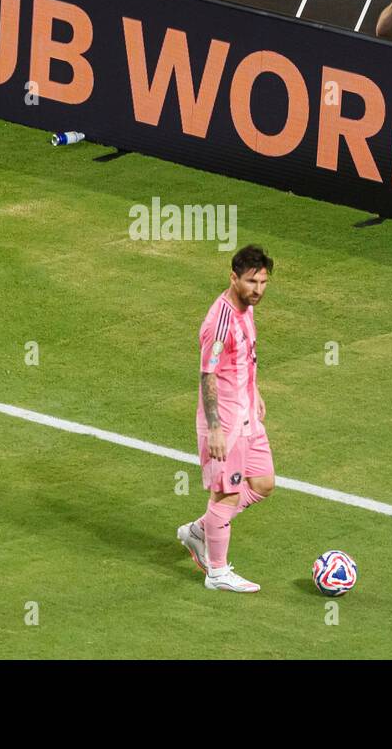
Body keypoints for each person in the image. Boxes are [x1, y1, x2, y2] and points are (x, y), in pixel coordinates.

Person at [177, 245, 276, 593]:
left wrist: (256, 390)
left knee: (263, 483)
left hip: (247, 413)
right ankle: (216, 572)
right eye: (251, 282)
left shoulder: (246, 308)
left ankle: (200, 531)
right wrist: (216, 429)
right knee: (226, 495)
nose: (258, 290)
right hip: (225, 424)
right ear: (233, 278)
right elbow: (208, 375)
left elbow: (247, 356)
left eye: (263, 282)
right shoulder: (218, 322)